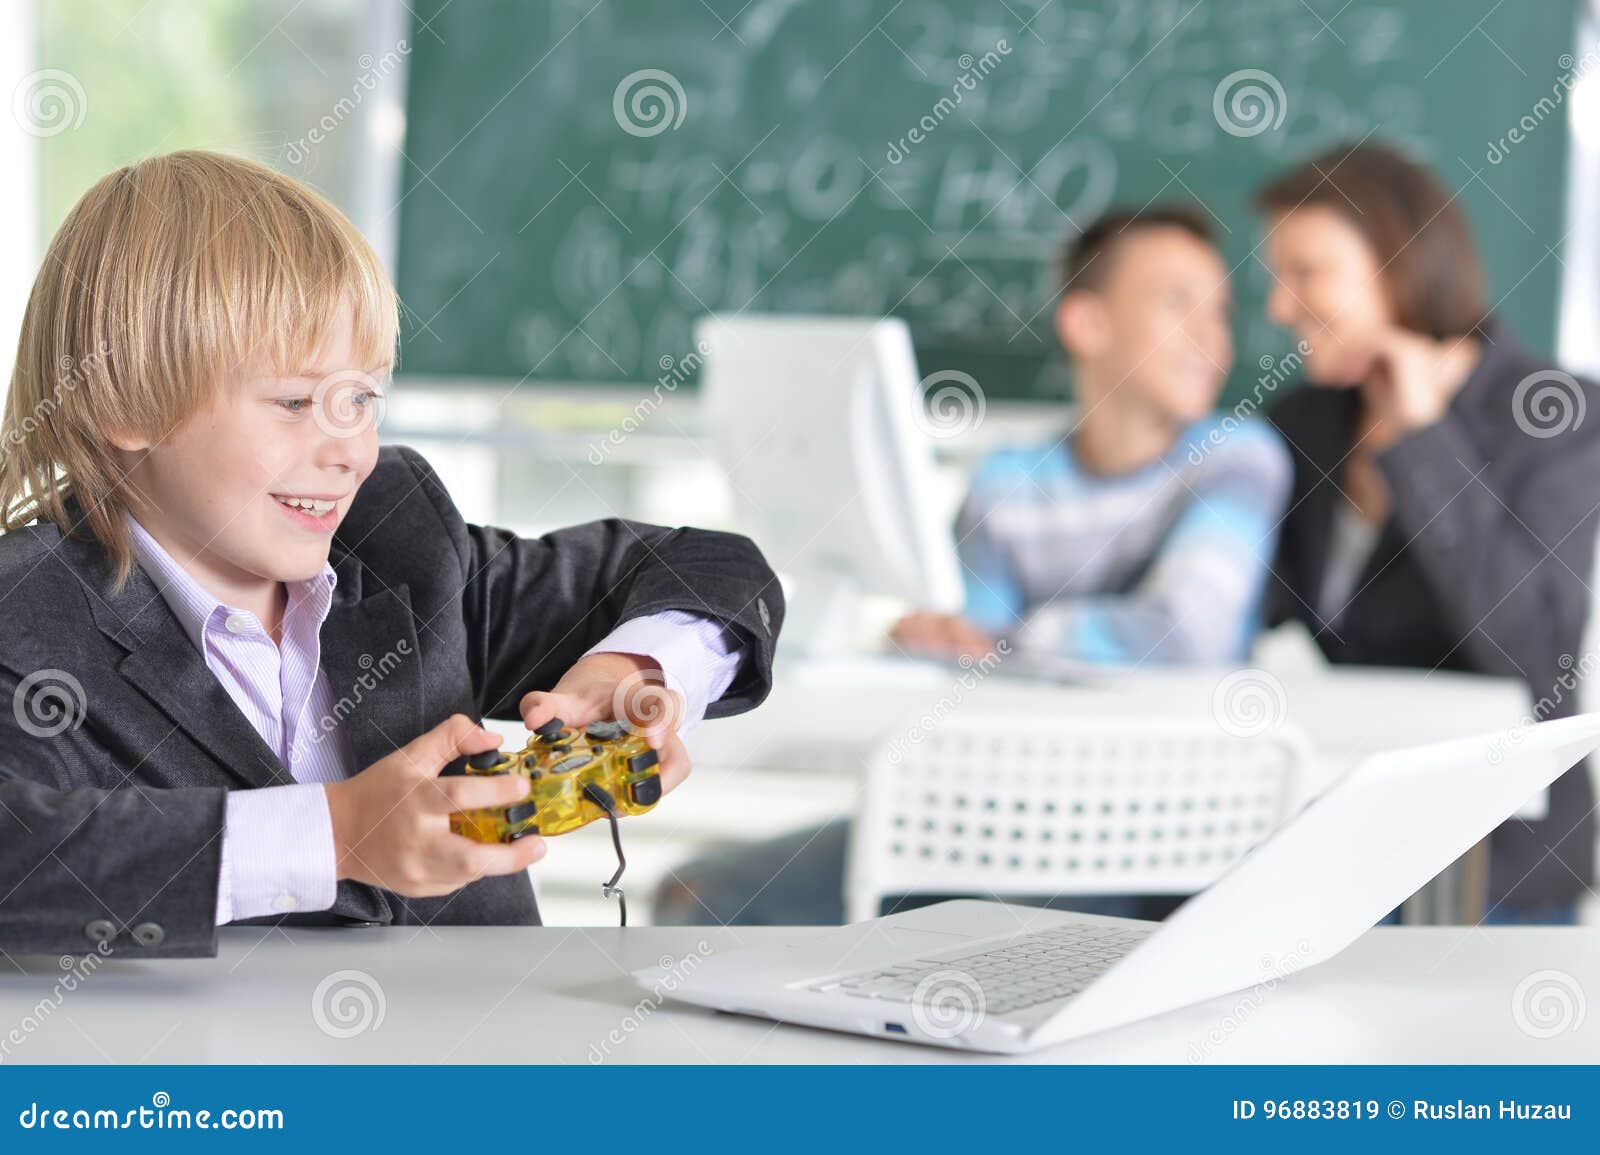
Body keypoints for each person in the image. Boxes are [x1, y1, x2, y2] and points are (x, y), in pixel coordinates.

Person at [0, 151, 783, 957]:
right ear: (125, 399)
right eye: (297, 401)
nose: (351, 452)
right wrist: (336, 834)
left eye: (363, 398)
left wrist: (643, 671)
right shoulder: (26, 619)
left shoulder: (399, 539)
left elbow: (710, 567)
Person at [656, 205, 1292, 926]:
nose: (1214, 337)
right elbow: (972, 646)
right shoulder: (1009, 479)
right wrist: (939, 636)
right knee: (695, 899)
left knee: (995, 938)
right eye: (1180, 304)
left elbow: (1182, 637)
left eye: (1222, 312)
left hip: (1157, 841)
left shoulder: (1241, 457)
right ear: (1087, 324)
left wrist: (1002, 642)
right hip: (994, 814)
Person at [1256, 140, 1600, 924]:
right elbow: (1254, 610)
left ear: (1399, 265)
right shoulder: (1304, 419)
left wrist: (1421, 433)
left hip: (1496, 863)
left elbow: (1528, 645)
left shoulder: (1557, 414)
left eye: (1306, 274)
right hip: (1339, 847)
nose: (1279, 307)